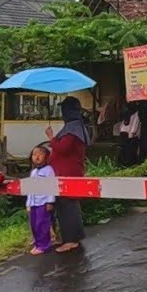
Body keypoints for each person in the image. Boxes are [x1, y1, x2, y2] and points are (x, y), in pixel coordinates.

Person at [44, 96, 89, 253]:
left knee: (68, 205)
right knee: (63, 205)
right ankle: (68, 238)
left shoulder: (74, 128)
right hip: (63, 172)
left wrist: (51, 137)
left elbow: (63, 148)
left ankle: (72, 240)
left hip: (69, 173)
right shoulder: (72, 126)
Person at [26, 145, 56, 255]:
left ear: (46, 157)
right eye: (34, 154)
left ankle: (44, 245)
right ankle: (37, 243)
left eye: (40, 154)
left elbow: (51, 186)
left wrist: (50, 202)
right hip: (34, 202)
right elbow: (30, 188)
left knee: (42, 224)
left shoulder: (49, 170)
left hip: (43, 202)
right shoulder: (33, 172)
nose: (37, 157)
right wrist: (28, 203)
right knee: (34, 224)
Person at [116, 101, 142, 167]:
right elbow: (134, 126)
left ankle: (126, 164)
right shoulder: (134, 114)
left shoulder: (130, 114)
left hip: (127, 134)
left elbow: (124, 125)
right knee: (129, 151)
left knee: (127, 151)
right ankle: (128, 164)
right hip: (129, 135)